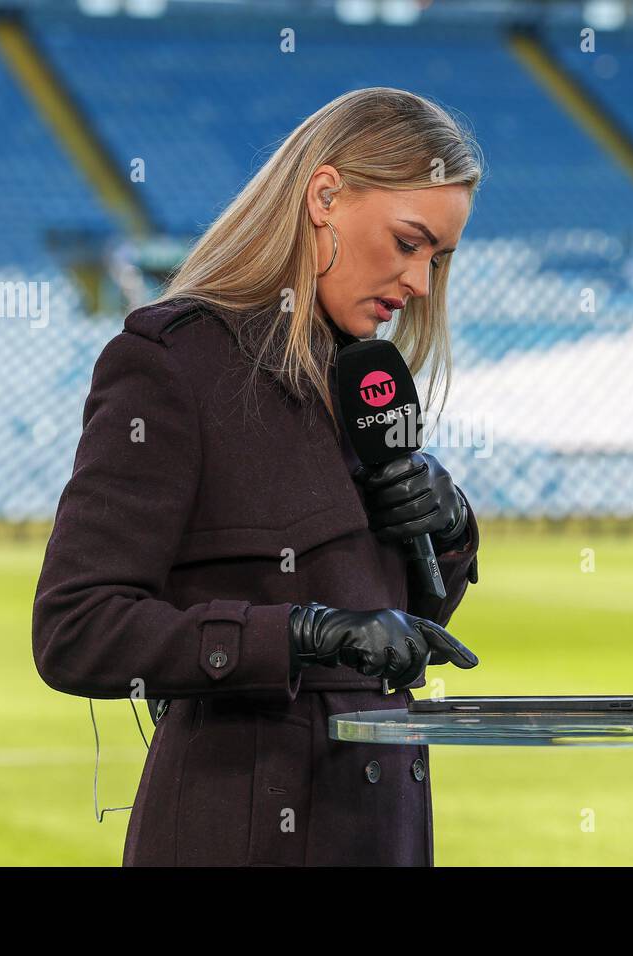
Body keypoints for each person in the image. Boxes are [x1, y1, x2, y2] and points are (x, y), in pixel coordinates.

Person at [31, 87, 485, 866]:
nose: (418, 283)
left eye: (437, 259)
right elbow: (75, 629)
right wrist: (299, 633)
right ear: (325, 195)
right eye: (409, 242)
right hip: (235, 832)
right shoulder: (174, 366)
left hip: (386, 830)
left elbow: (402, 619)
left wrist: (447, 530)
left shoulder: (365, 379)